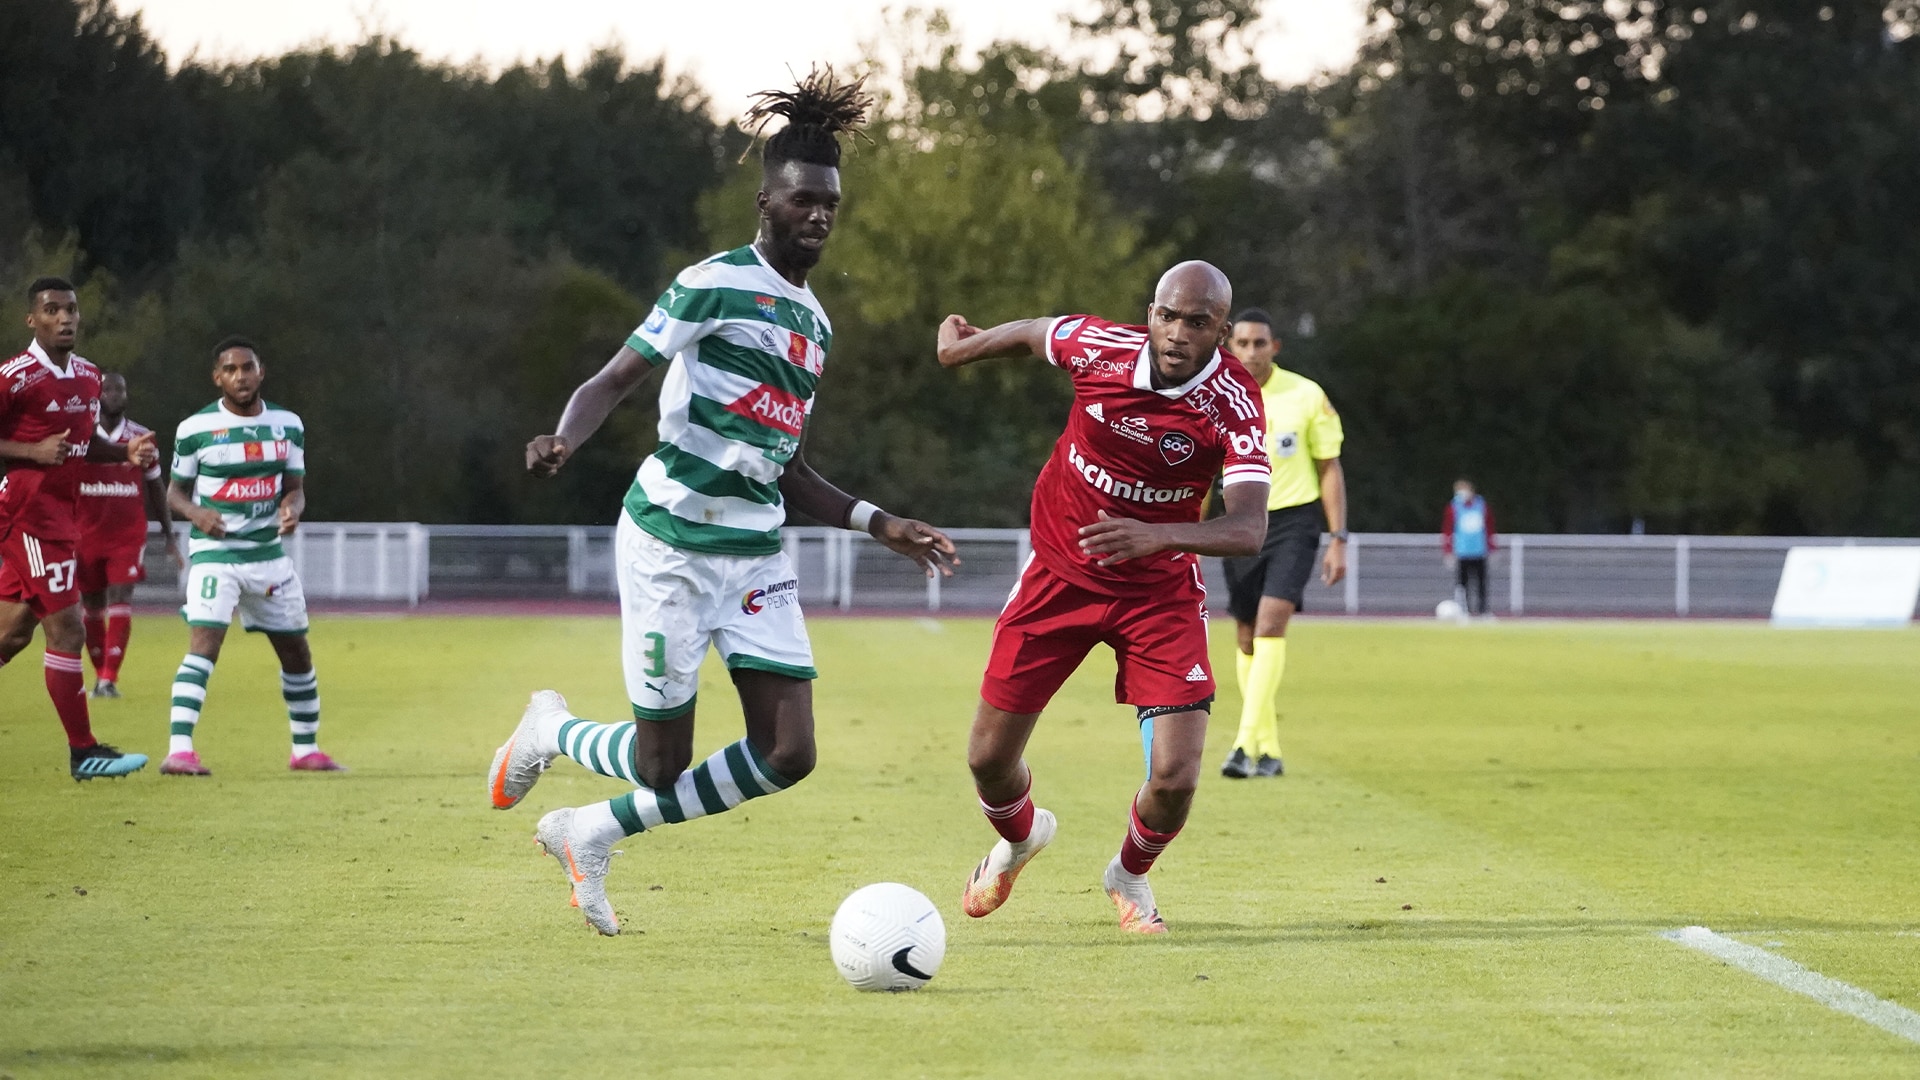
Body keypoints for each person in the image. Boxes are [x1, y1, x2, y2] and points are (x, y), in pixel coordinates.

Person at [486, 69, 959, 937]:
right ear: (766, 201)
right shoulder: (712, 282)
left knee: (791, 753)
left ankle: (592, 828)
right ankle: (554, 732)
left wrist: (878, 523)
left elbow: (789, 467)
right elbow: (613, 378)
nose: (819, 215)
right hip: (669, 545)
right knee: (661, 765)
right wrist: (565, 437)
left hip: (754, 558)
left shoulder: (814, 327)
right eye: (804, 199)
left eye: (831, 205)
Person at [936, 260, 1271, 935]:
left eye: (1197, 322)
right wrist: (959, 349)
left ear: (1221, 332)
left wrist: (1159, 535)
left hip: (1159, 595)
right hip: (1059, 576)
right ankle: (1021, 838)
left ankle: (1129, 876)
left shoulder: (1234, 403)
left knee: (1175, 777)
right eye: (1167, 315)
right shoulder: (1099, 347)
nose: (1177, 332)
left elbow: (1248, 527)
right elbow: (1035, 332)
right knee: (987, 760)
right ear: (1150, 313)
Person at [160, 336, 342, 776]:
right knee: (205, 645)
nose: (240, 376)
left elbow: (295, 489)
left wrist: (292, 509)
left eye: (248, 367)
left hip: (267, 556)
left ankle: (305, 750)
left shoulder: (288, 424)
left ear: (262, 372)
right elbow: (173, 494)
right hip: (215, 555)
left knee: (296, 650)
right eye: (231, 369)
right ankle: (179, 750)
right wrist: (196, 513)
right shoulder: (195, 429)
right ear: (217, 377)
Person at [0, 277, 154, 780]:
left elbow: (83, 448)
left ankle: (84, 750)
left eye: (71, 309)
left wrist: (123, 453)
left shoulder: (89, 376)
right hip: (27, 517)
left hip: (60, 521)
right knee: (67, 628)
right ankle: (84, 751)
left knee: (11, 635)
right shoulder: (14, 377)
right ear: (32, 320)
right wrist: (31, 452)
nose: (65, 318)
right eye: (52, 310)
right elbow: (38, 451)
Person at [1216, 309, 1347, 780]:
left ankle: (1240, 743)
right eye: (1242, 343)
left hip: (1294, 522)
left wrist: (1338, 539)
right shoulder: (1214, 395)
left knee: (1272, 623)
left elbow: (1329, 467)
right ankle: (1268, 748)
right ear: (1228, 345)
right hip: (1236, 521)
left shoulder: (1306, 394)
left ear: (1276, 347)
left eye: (1260, 343)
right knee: (1247, 633)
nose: (1251, 351)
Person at [76, 373, 182, 697]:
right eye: (107, 389)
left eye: (120, 389)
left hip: (126, 534)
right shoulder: (82, 435)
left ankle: (109, 678)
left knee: (120, 598)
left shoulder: (141, 437)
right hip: (84, 533)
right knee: (91, 605)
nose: (114, 394)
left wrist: (169, 534)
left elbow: (155, 486)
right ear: (96, 396)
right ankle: (99, 677)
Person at [1443, 478, 1496, 615]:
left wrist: (1492, 548)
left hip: (1479, 550)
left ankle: (1483, 611)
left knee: (1481, 583)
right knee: (1462, 584)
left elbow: (1489, 528)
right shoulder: (1453, 507)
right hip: (1462, 551)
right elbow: (1448, 530)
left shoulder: (1481, 505)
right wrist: (1448, 550)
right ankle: (1463, 610)